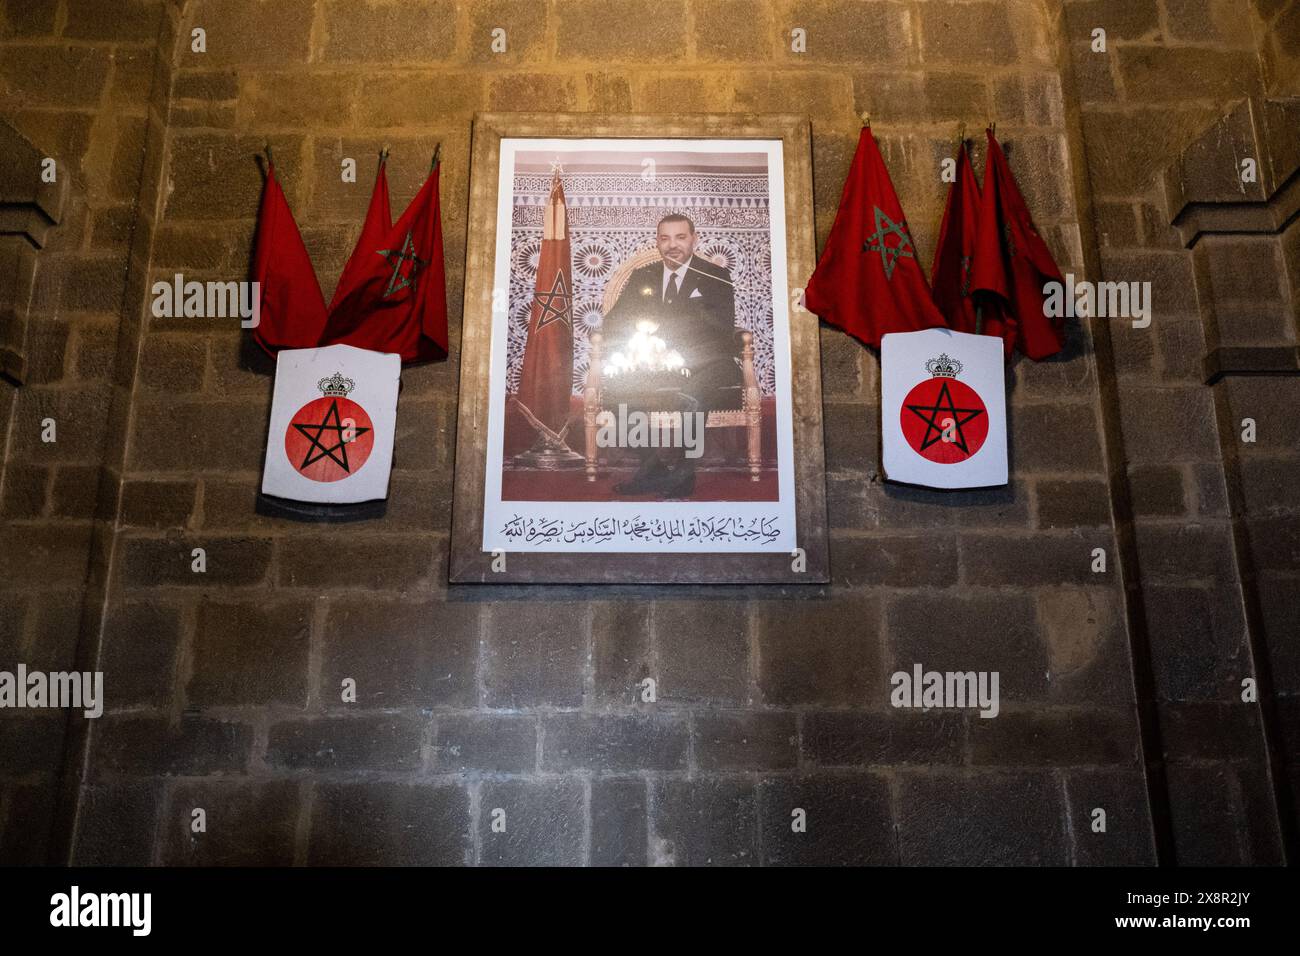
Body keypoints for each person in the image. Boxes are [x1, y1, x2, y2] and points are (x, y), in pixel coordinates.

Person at [600, 213, 743, 497]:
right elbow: (615, 321)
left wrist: (665, 332)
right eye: (664, 238)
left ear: (694, 239)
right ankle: (654, 471)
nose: (672, 245)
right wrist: (638, 340)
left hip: (710, 362)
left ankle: (683, 474)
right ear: (657, 242)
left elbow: (720, 328)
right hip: (658, 364)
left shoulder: (715, 275)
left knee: (693, 394)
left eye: (680, 237)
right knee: (616, 387)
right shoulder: (644, 275)